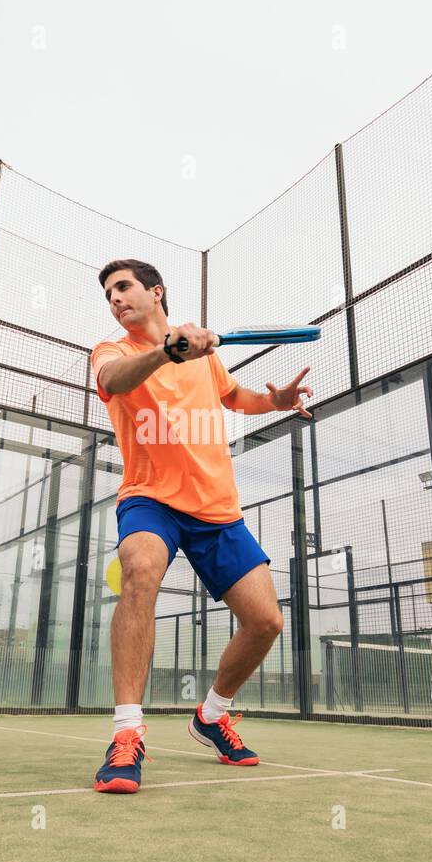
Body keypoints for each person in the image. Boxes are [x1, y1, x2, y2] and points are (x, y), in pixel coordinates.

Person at [89, 258, 313, 793]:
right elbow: (114, 380)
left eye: (123, 287)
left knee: (266, 623)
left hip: (216, 509)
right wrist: (168, 350)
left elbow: (235, 397)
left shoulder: (204, 359)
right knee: (140, 569)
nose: (115, 299)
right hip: (150, 501)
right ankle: (126, 734)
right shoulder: (113, 352)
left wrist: (274, 401)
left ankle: (212, 717)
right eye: (108, 294)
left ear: (155, 291)